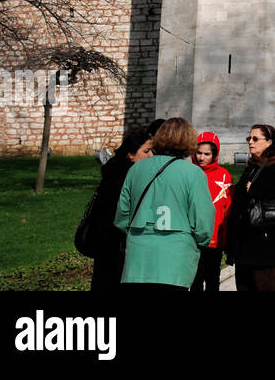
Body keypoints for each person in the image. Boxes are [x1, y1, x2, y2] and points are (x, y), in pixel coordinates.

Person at [114, 117, 214, 290]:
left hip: (138, 259)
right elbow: (203, 221)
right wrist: (198, 241)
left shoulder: (136, 169)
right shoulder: (193, 173)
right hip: (175, 260)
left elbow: (122, 215)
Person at [227, 123, 275, 292]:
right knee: (244, 285)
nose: (250, 141)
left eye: (255, 138)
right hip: (245, 242)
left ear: (269, 142)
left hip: (266, 243)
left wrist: (255, 189)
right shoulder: (253, 166)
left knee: (265, 286)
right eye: (249, 138)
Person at [86, 126, 153, 291]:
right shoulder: (124, 179)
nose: (151, 155)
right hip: (116, 246)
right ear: (130, 155)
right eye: (146, 151)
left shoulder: (117, 171)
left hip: (110, 246)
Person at [190, 130, 232, 292]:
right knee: (195, 280)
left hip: (215, 237)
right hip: (193, 238)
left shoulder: (224, 175)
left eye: (207, 154)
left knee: (213, 279)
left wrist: (226, 237)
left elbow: (228, 207)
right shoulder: (189, 173)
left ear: (214, 155)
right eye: (199, 153)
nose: (201, 157)